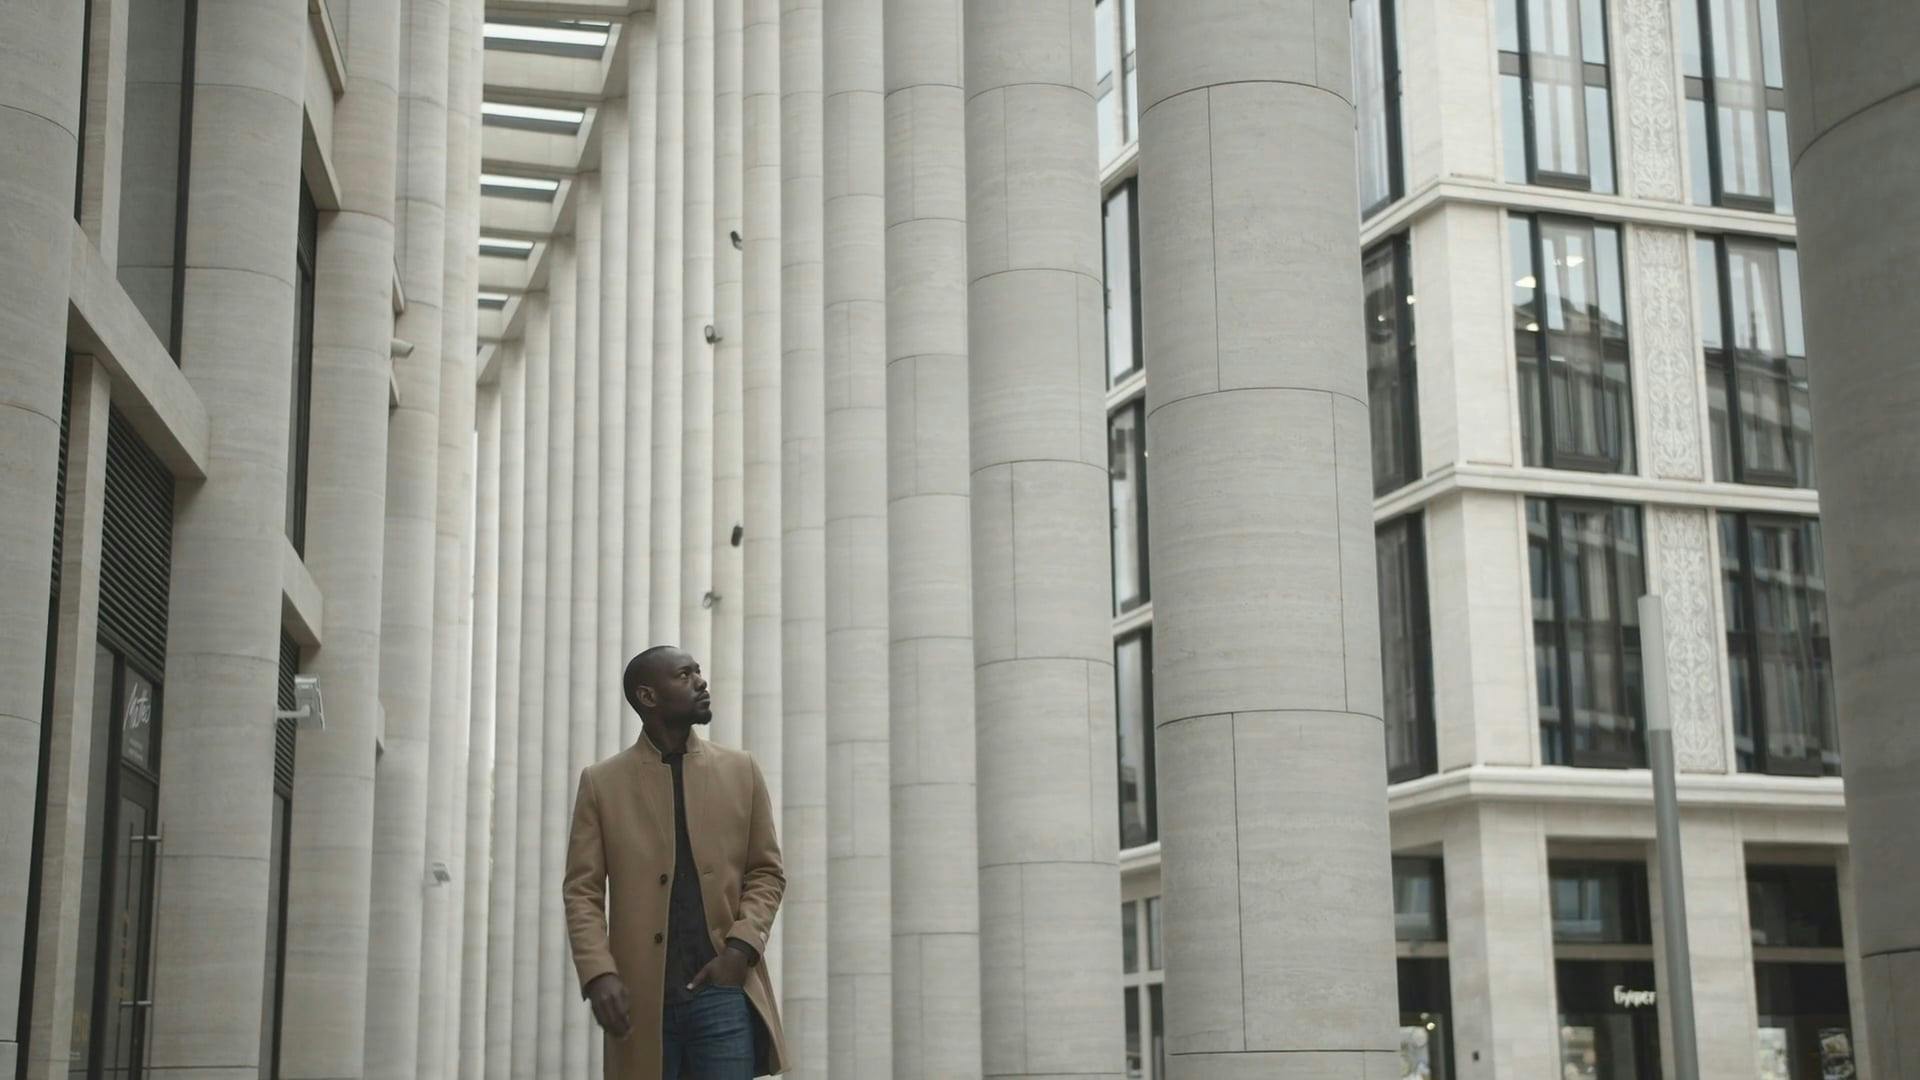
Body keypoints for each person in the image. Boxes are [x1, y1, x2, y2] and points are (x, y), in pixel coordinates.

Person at [565, 645, 788, 1078]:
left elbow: (766, 871)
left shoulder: (741, 770)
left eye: (698, 672)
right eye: (684, 675)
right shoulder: (602, 783)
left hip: (723, 989)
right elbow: (582, 892)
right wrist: (598, 974)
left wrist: (740, 950)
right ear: (648, 697)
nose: (701, 682)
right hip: (641, 998)